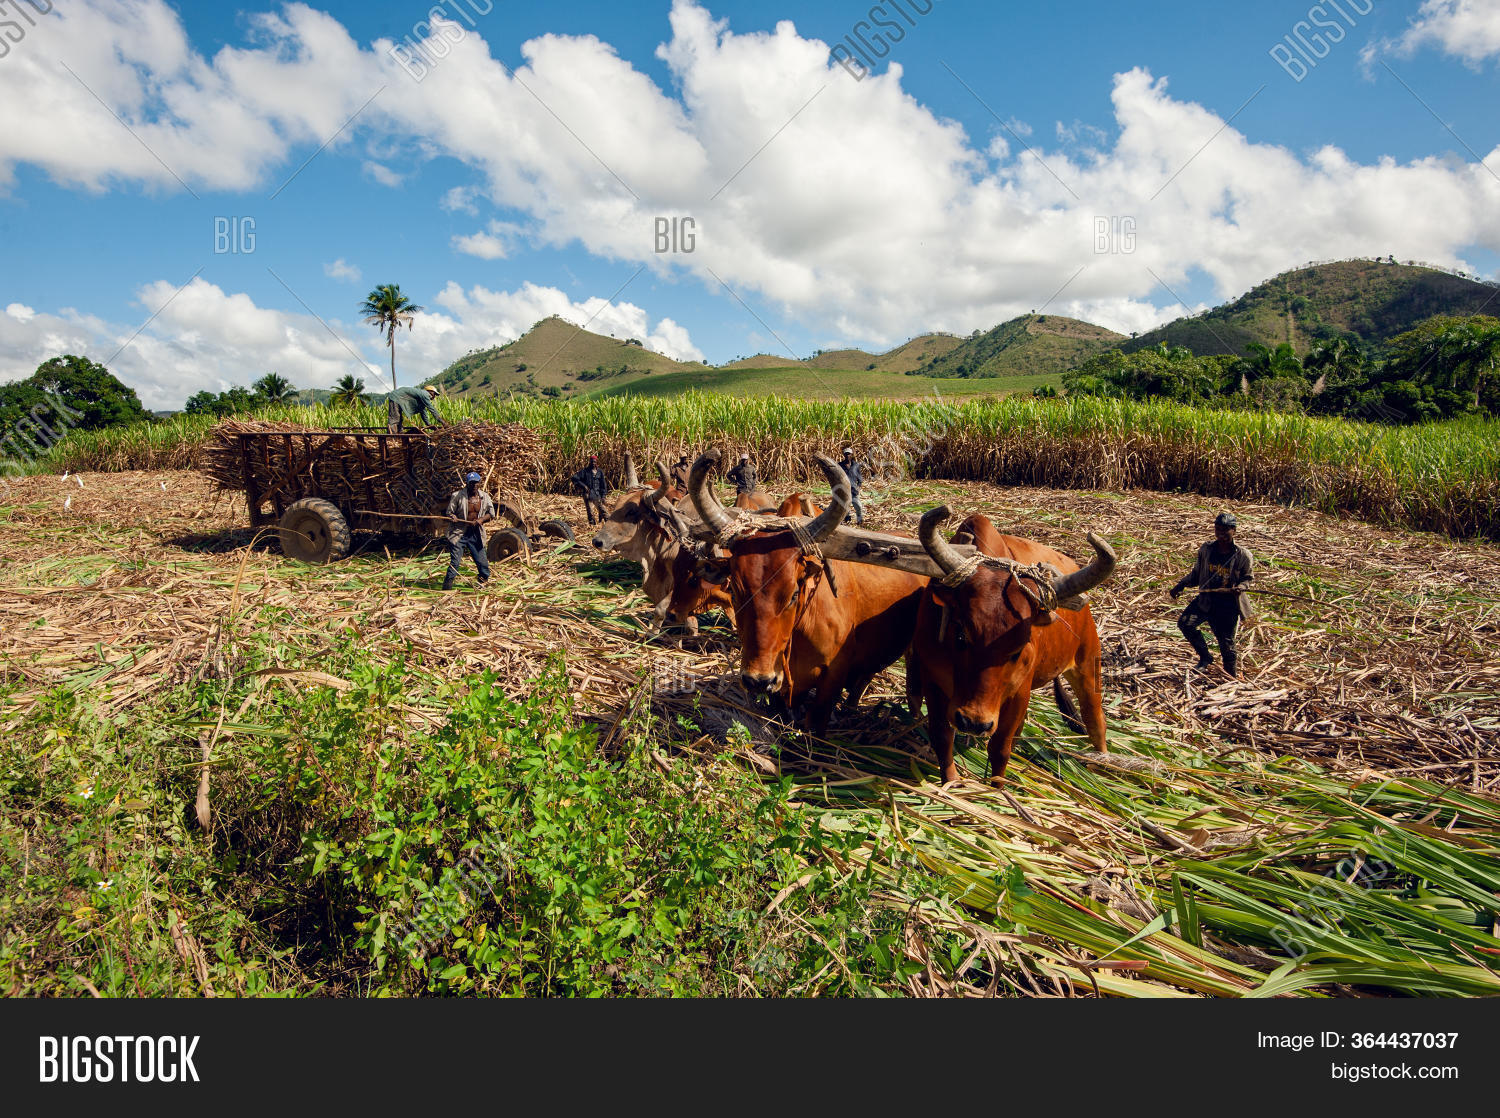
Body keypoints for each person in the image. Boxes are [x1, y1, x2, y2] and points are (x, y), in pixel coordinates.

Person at [1170, 512, 1254, 677]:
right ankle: (1205, 657)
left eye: (1225, 530)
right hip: (1206, 600)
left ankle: (1230, 676)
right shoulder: (1207, 549)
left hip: (1228, 605)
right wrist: (1181, 585)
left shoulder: (1243, 555)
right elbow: (1196, 573)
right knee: (1185, 623)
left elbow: (1248, 578)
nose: (1221, 534)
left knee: (1226, 643)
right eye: (1218, 529)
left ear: (1234, 531)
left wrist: (1241, 586)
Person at [443, 471, 494, 591]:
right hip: (459, 533)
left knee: (483, 564)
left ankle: (482, 584)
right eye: (471, 483)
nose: (474, 486)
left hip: (476, 534)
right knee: (455, 563)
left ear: (479, 483)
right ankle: (446, 589)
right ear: (467, 484)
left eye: (476, 483)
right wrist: (452, 516)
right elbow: (449, 512)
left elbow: (491, 514)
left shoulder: (484, 497)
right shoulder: (458, 496)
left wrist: (481, 519)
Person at [571, 454, 608, 525]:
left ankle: (608, 524)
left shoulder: (600, 472)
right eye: (591, 462)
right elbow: (574, 478)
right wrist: (583, 486)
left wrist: (603, 496)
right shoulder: (585, 471)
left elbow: (603, 485)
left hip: (597, 494)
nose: (593, 463)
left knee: (603, 510)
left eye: (594, 462)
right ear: (589, 462)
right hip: (588, 494)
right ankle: (592, 526)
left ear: (596, 462)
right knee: (590, 512)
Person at [838, 445, 865, 526]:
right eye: (846, 454)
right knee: (845, 507)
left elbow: (860, 478)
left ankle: (859, 520)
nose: (847, 456)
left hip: (853, 490)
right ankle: (847, 519)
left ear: (852, 455)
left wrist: (859, 486)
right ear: (843, 455)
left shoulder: (855, 465)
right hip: (844, 490)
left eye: (849, 454)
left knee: (858, 506)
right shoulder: (840, 465)